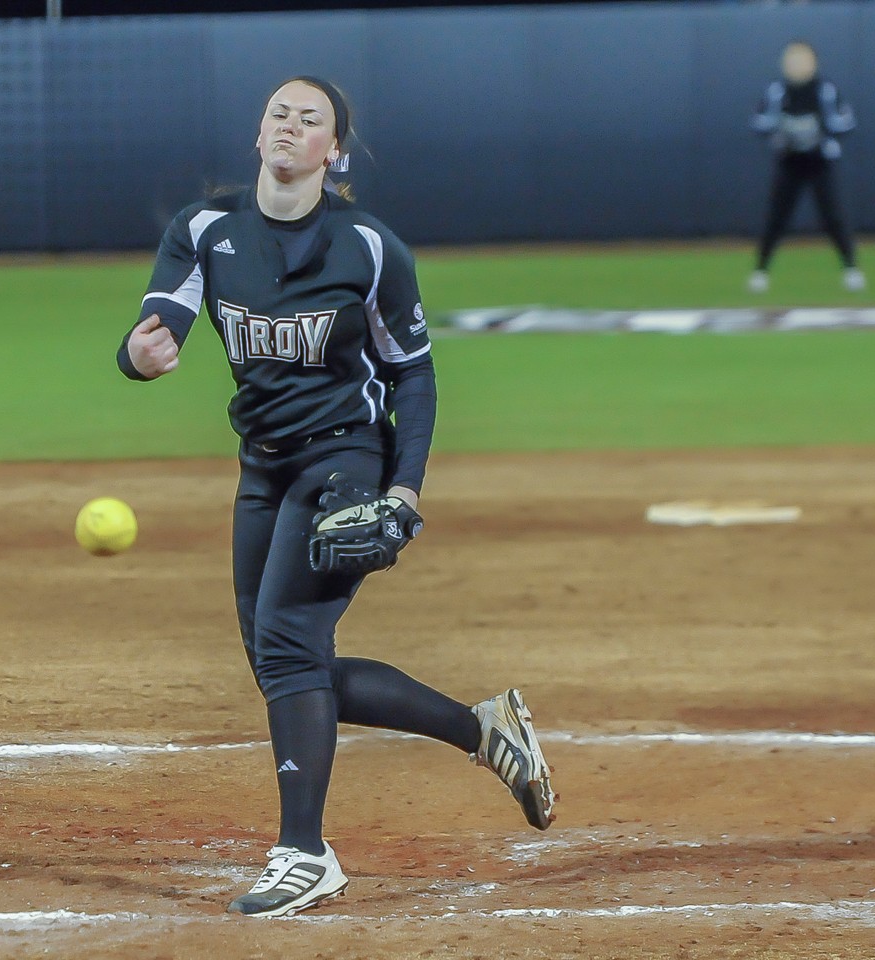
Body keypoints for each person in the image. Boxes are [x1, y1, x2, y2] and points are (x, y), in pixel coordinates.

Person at [116, 76, 557, 918]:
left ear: (335, 151)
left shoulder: (369, 247)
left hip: (347, 460)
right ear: (258, 136)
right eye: (278, 113)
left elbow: (413, 374)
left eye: (309, 119)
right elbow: (157, 323)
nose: (289, 125)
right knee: (284, 662)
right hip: (264, 468)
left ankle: (304, 853)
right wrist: (140, 355)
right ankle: (484, 730)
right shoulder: (206, 230)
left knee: (287, 646)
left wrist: (401, 487)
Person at [749, 40, 863, 293]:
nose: (798, 65)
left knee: (833, 216)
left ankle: (851, 269)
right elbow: (758, 121)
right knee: (776, 217)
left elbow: (846, 121)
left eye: (803, 60)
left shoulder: (825, 90)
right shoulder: (777, 90)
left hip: (819, 162)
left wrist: (822, 131)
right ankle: (760, 271)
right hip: (789, 161)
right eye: (793, 60)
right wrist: (780, 133)